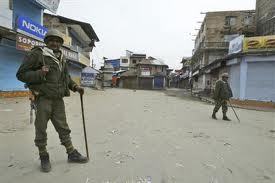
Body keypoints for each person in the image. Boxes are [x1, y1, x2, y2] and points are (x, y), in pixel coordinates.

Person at [16, 29, 88, 172]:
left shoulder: (62, 58)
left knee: (63, 127)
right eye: (51, 40)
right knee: (41, 129)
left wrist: (75, 87)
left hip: (58, 99)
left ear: (61, 44)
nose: (54, 43)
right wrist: (39, 73)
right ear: (46, 42)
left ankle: (71, 153)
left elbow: (65, 78)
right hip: (42, 99)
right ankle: (43, 156)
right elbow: (21, 74)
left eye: (58, 41)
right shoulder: (37, 54)